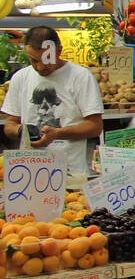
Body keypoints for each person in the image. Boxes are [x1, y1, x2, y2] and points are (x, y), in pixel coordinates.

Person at [1, 27, 103, 178]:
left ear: (59, 51)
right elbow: (10, 124)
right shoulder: (20, 78)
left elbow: (95, 126)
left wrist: (57, 134)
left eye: (46, 60)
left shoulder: (80, 77)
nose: (40, 67)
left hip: (70, 173)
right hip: (29, 173)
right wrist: (22, 131)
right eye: (34, 60)